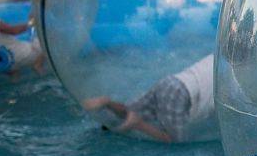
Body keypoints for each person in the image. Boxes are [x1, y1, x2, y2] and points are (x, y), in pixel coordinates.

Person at [82, 53, 214, 143]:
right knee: (173, 140)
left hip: (170, 82)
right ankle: (137, 123)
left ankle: (107, 102)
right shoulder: (227, 77)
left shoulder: (214, 57)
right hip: (180, 93)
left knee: (129, 110)